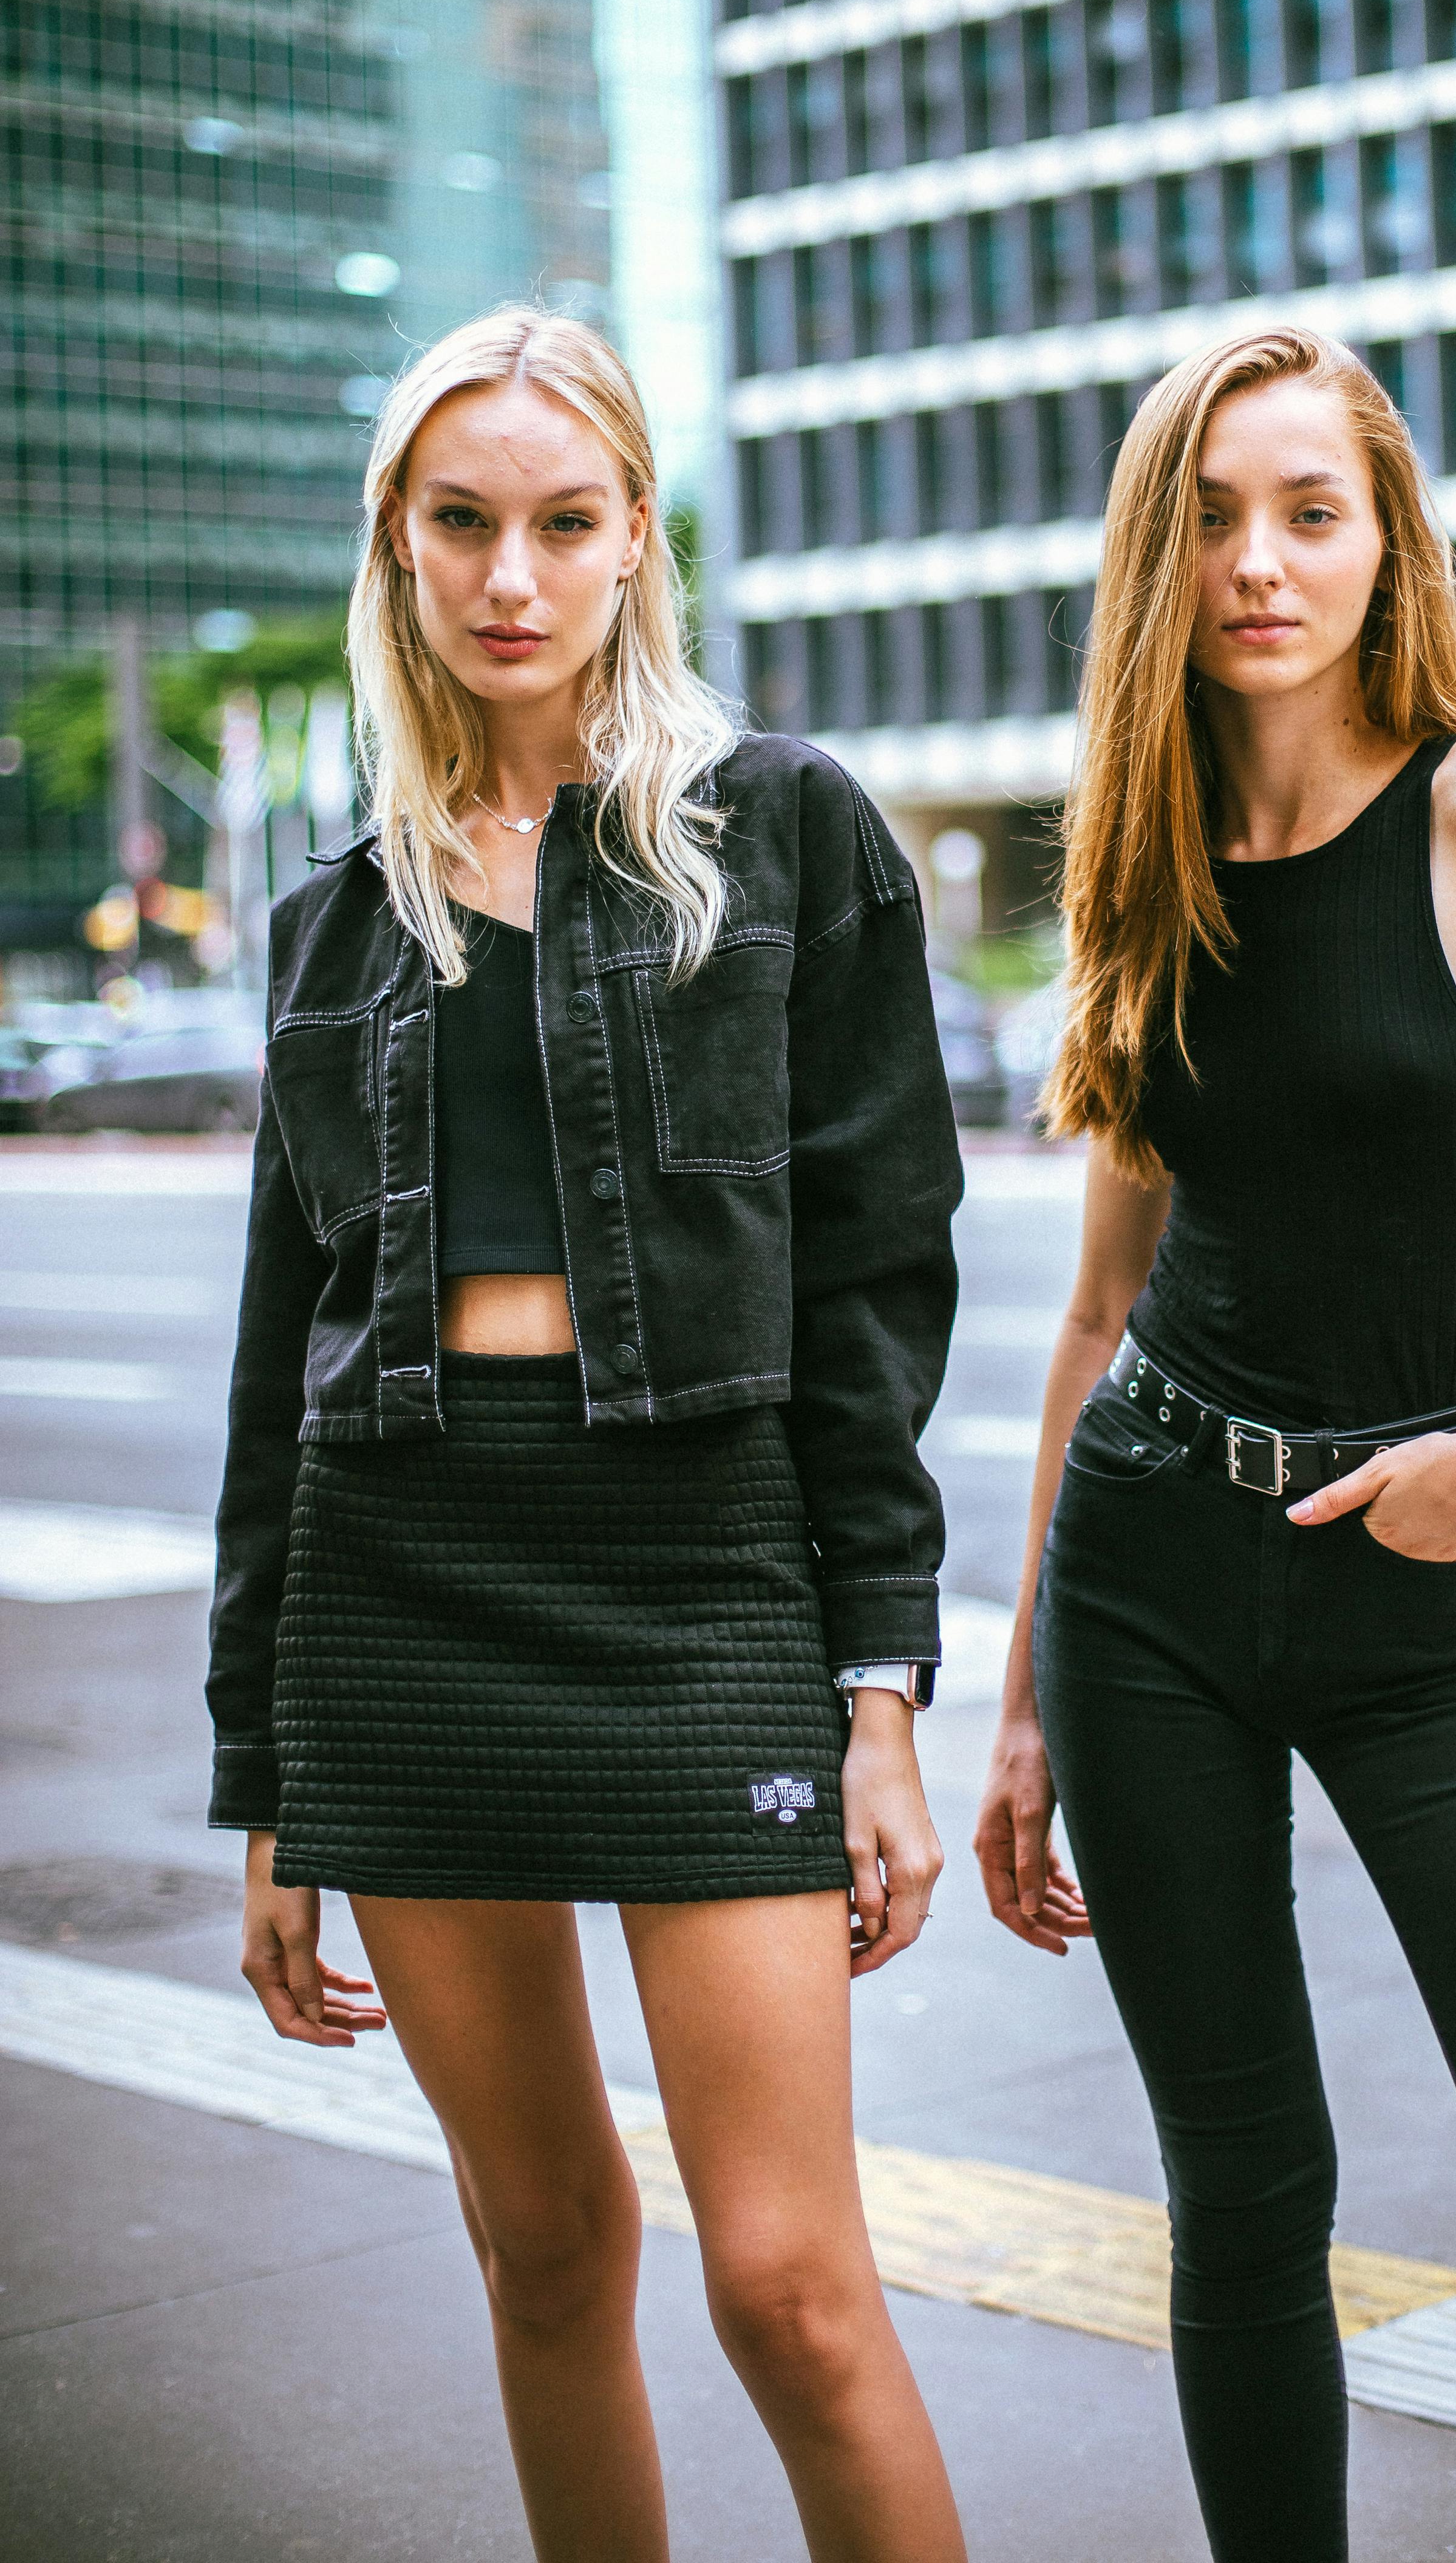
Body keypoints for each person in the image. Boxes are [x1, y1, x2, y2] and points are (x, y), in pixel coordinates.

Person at [974, 326, 1456, 2563]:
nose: (1259, 560)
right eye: (1212, 516)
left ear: (1384, 537)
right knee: (1241, 2207)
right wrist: (1025, 1691)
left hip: (1435, 1596)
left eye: (1308, 509)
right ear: (1161, 559)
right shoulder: (1146, 852)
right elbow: (1103, 1302)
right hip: (1146, 1579)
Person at [208, 307, 968, 2563]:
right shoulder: (330, 923)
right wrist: (268, 1772)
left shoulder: (788, 840)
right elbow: (285, 1367)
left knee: (793, 2287)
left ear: (638, 539)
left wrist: (882, 1687)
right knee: (542, 2244)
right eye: (462, 525)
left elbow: (874, 1291)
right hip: (405, 1589)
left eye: (562, 522)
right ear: (401, 551)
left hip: (703, 1569)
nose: (511, 575)